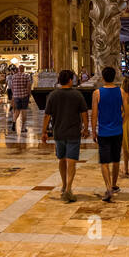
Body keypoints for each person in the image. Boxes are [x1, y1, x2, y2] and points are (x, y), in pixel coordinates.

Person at [40, 69, 89, 204]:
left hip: (58, 132)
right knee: (71, 161)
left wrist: (44, 132)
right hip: (73, 132)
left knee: (61, 159)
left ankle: (63, 185)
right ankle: (68, 188)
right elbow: (84, 113)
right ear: (70, 80)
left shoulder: (53, 95)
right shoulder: (77, 94)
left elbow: (47, 115)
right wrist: (85, 128)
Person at [91, 67, 124, 202]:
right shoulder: (121, 91)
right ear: (114, 76)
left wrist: (93, 130)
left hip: (104, 131)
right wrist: (120, 122)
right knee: (116, 159)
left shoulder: (97, 93)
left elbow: (94, 114)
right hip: (118, 130)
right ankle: (114, 184)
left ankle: (108, 187)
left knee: (104, 161)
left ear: (103, 77)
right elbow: (126, 111)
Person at [7, 64, 33, 136]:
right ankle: (23, 128)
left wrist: (14, 94)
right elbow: (29, 86)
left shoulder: (14, 76)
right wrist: (29, 94)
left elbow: (12, 87)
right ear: (23, 69)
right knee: (24, 110)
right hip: (24, 95)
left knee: (17, 110)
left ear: (18, 69)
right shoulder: (26, 76)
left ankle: (14, 122)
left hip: (16, 96)